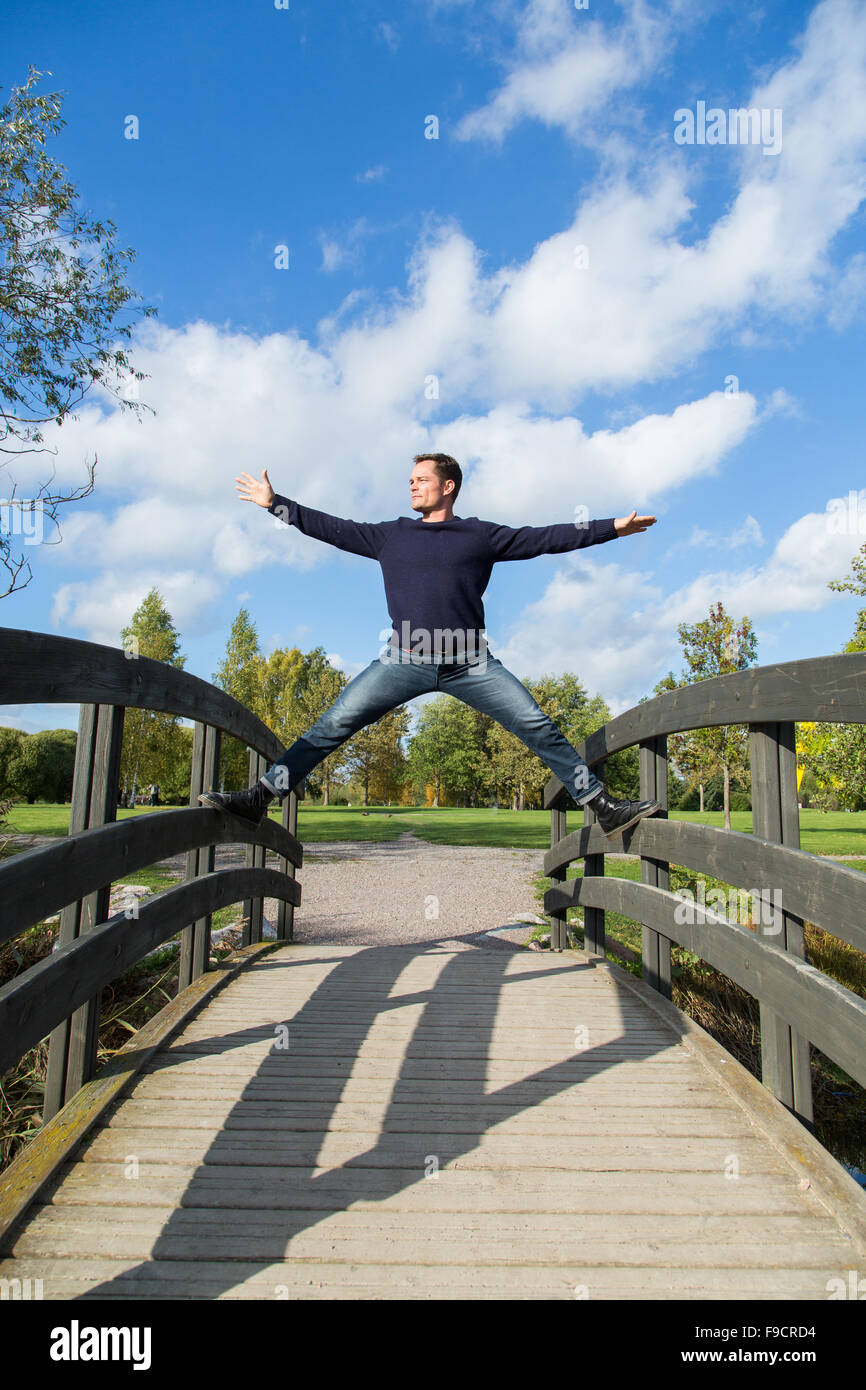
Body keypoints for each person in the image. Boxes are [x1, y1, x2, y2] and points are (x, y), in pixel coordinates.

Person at [199, 454, 662, 838]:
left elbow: (546, 538)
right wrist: (275, 504)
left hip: (470, 661)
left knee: (536, 725)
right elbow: (330, 528)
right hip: (404, 658)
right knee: (331, 725)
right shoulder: (391, 535)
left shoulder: (480, 535)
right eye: (410, 481)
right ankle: (258, 799)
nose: (413, 487)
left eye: (421, 480)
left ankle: (603, 807)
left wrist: (612, 527)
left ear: (449, 486)